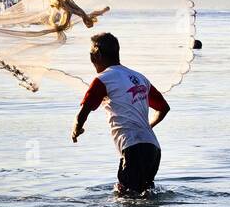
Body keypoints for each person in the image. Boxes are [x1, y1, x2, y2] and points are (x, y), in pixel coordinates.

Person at [71, 32, 170, 194]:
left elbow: (83, 112)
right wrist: (148, 126)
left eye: (91, 55)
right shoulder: (139, 77)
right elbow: (163, 108)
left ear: (98, 55)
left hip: (132, 147)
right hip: (153, 148)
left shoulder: (103, 79)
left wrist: (76, 129)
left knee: (127, 199)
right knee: (144, 197)